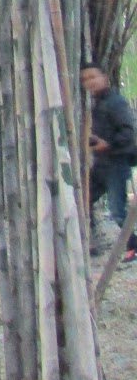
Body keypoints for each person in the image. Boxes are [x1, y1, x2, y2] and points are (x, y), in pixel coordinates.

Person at [82, 63, 137, 256]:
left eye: (93, 77)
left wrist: (108, 144)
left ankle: (133, 247)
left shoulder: (115, 102)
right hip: (101, 165)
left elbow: (128, 134)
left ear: (104, 77)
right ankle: (88, 245)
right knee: (82, 201)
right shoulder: (95, 104)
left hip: (117, 163)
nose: (90, 82)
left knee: (117, 210)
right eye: (85, 79)